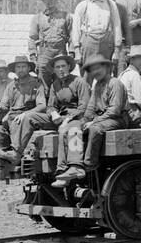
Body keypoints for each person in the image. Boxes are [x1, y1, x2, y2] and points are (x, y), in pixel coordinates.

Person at [51, 53, 128, 189]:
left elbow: (114, 110)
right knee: (72, 128)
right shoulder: (98, 85)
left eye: (98, 68)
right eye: (93, 70)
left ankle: (89, 163)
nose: (96, 72)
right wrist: (80, 122)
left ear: (106, 68)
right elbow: (90, 108)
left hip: (117, 119)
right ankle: (70, 168)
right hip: (102, 118)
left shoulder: (115, 83)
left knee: (94, 129)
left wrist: (94, 121)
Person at [15, 53, 89, 160]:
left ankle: (73, 165)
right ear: (54, 70)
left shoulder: (79, 82)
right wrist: (53, 113)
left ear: (69, 67)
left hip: (76, 119)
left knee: (66, 130)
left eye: (63, 66)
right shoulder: (55, 85)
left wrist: (67, 119)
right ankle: (17, 153)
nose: (61, 69)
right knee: (28, 116)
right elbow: (50, 106)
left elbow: (83, 107)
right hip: (58, 119)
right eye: (57, 67)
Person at [0, 55, 43, 175]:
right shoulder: (11, 85)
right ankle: (2, 167)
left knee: (18, 123)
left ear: (28, 68)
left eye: (23, 66)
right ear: (14, 70)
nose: (21, 69)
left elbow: (42, 105)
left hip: (27, 116)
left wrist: (27, 113)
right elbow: (4, 105)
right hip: (12, 116)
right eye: (18, 67)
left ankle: (15, 155)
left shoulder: (36, 84)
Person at [72, 0, 125, 71]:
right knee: (87, 74)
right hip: (89, 42)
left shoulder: (111, 5)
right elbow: (75, 30)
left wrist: (116, 50)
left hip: (107, 43)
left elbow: (117, 27)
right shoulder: (82, 6)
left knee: (106, 74)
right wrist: (77, 50)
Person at [28, 0, 73, 88]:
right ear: (43, 1)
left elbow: (72, 36)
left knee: (62, 80)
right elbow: (32, 38)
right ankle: (46, 102)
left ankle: (61, 102)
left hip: (60, 52)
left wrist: (72, 52)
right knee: (43, 80)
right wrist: (33, 56)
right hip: (44, 53)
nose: (49, 1)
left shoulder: (66, 16)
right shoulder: (38, 18)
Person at [118, 45, 141, 126]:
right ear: (131, 60)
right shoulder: (134, 75)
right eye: (140, 58)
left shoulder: (123, 74)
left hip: (125, 115)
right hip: (134, 115)